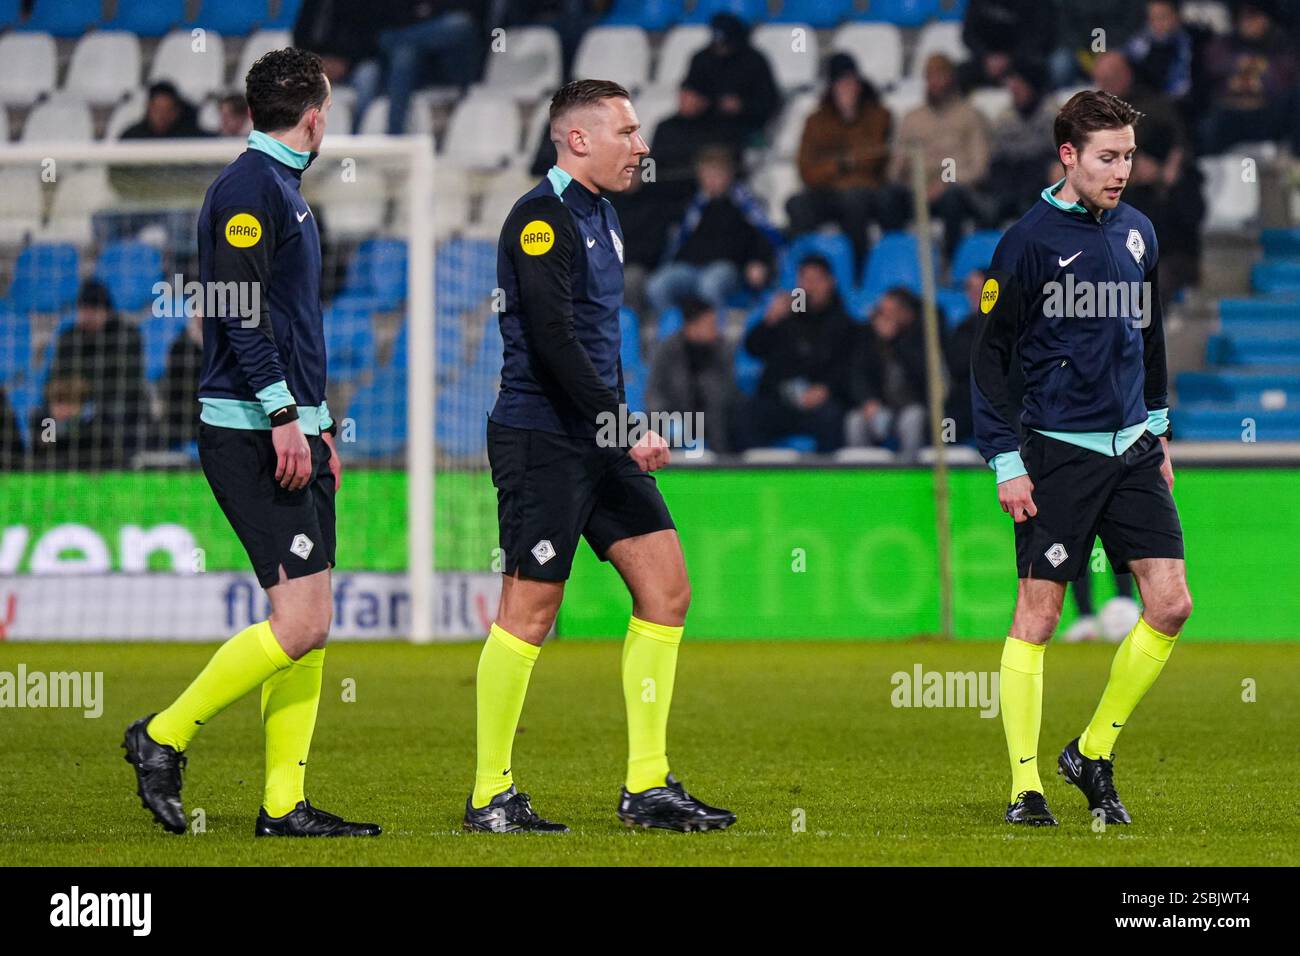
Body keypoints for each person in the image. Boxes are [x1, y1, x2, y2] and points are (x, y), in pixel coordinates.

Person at [121, 49, 380, 839]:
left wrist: (318, 418)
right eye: (327, 110)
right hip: (250, 428)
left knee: (308, 620)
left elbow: (291, 324)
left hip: (289, 423)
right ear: (313, 115)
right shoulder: (248, 189)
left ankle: (282, 804)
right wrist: (281, 416)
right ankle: (162, 734)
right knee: (301, 624)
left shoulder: (279, 190)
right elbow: (239, 313)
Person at [472, 79, 735, 833]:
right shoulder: (539, 221)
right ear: (577, 139)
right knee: (530, 611)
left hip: (597, 438)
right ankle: (490, 792)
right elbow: (554, 345)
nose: (642, 145)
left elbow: (594, 344)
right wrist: (624, 424)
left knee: (668, 591)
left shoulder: (604, 215)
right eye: (626, 131)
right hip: (541, 438)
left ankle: (647, 786)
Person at [972, 91, 1192, 828]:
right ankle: (1025, 786)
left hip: (1131, 448)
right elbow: (990, 360)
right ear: (1068, 156)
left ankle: (1091, 752)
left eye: (1128, 155)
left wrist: (1158, 427)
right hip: (1056, 453)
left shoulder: (1138, 233)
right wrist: (1005, 459)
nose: (1121, 170)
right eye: (1107, 157)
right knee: (1038, 616)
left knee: (1170, 604)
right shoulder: (1027, 242)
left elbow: (1150, 333)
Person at [786, 53, 905, 272]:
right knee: (797, 204)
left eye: (852, 82)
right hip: (828, 189)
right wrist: (840, 165)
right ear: (832, 87)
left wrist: (850, 117)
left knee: (855, 201)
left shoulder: (879, 115)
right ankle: (804, 271)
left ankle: (858, 270)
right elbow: (807, 170)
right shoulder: (815, 121)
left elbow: (872, 158)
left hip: (867, 188)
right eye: (843, 83)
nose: (849, 88)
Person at [734, 254, 857, 453]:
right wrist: (769, 321)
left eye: (816, 280)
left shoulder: (844, 323)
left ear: (830, 283)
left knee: (833, 418)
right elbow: (753, 348)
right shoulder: (787, 316)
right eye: (804, 280)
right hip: (780, 400)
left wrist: (827, 389)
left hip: (820, 402)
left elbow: (849, 367)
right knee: (746, 414)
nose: (809, 287)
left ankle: (824, 480)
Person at [645, 145, 776, 320]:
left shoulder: (744, 204)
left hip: (727, 267)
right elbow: (678, 240)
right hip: (690, 267)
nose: (711, 179)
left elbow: (763, 234)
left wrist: (758, 261)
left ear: (729, 175)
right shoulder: (693, 206)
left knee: (709, 286)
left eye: (717, 174)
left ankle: (709, 334)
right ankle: (676, 329)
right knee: (657, 286)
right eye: (707, 174)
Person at [889, 54, 991, 259]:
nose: (935, 82)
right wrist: (901, 168)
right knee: (887, 198)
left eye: (940, 76)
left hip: (955, 187)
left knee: (952, 199)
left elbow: (979, 167)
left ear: (951, 78)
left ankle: (952, 262)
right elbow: (894, 169)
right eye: (930, 76)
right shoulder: (912, 118)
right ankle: (897, 261)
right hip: (917, 188)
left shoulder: (969, 115)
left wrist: (945, 182)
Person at [41, 278, 150, 468]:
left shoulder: (128, 336)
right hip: (71, 406)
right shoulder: (68, 337)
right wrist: (59, 403)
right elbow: (55, 378)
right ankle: (46, 463)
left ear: (106, 311)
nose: (87, 316)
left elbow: (128, 384)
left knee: (111, 416)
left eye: (93, 310)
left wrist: (85, 403)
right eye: (83, 310)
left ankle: (115, 465)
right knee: (43, 419)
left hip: (112, 408)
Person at [844, 287, 929, 460]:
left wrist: (895, 342)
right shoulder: (869, 336)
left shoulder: (923, 334)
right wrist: (867, 400)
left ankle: (909, 474)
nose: (883, 318)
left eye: (890, 312)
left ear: (906, 314)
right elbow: (857, 374)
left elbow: (924, 377)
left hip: (912, 406)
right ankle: (863, 476)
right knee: (855, 420)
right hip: (881, 406)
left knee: (913, 418)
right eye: (881, 312)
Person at [644, 296, 736, 454]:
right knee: (652, 422)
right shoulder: (667, 350)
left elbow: (727, 391)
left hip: (712, 416)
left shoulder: (722, 350)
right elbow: (654, 392)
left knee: (730, 419)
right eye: (710, 324)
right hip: (675, 414)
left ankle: (726, 464)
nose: (715, 330)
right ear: (692, 326)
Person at [681, 12, 781, 147]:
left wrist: (742, 106)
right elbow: (689, 87)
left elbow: (769, 101)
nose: (721, 49)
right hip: (702, 120)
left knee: (720, 138)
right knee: (666, 128)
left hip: (741, 124)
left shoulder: (755, 61)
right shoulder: (701, 58)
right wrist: (691, 100)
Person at [119, 81, 209, 139]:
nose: (161, 116)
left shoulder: (191, 137)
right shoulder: (132, 136)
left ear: (176, 111)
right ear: (148, 108)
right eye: (157, 110)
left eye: (167, 110)